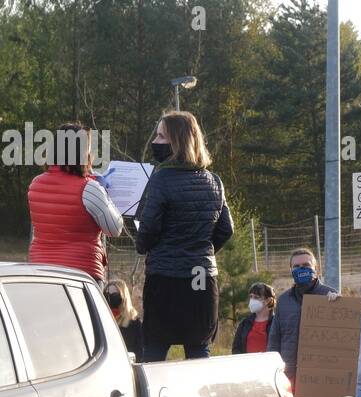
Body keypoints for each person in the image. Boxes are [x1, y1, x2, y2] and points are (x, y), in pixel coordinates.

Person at [136, 112, 233, 362]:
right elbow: (226, 229)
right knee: (199, 348)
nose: (155, 142)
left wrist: (143, 245)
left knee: (156, 349)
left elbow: (149, 229)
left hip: (165, 278)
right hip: (200, 278)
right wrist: (201, 251)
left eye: (160, 136)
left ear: (176, 141)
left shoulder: (160, 180)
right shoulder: (214, 181)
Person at [269, 248, 337, 397]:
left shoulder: (330, 296)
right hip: (289, 380)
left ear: (316, 268)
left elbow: (344, 336)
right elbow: (274, 339)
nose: (302, 270)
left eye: (306, 265)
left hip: (318, 378)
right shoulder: (284, 301)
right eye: (297, 266)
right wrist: (273, 372)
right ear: (291, 270)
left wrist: (336, 306)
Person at [28, 122, 124, 282]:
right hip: (81, 274)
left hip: (41, 270)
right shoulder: (90, 188)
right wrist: (105, 194)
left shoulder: (35, 184)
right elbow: (115, 229)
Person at [104, 280, 142, 362]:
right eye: (107, 294)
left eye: (114, 294)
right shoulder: (102, 318)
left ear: (123, 296)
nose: (110, 298)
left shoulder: (134, 323)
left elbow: (139, 352)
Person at [232, 282, 275, 354]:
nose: (252, 300)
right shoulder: (245, 323)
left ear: (268, 300)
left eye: (256, 297)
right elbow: (236, 348)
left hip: (268, 364)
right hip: (247, 364)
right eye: (251, 296)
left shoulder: (276, 323)